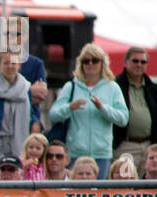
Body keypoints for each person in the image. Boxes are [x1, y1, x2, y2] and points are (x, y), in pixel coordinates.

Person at [47, 44, 127, 180]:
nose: (90, 64)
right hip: (75, 153)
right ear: (81, 64)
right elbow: (53, 114)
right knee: (74, 196)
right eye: (86, 61)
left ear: (103, 63)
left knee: (97, 196)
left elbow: (123, 119)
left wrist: (103, 108)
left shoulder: (112, 87)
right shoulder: (71, 86)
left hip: (101, 153)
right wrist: (70, 107)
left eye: (95, 60)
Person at [0, 51, 41, 160]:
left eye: (13, 63)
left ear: (19, 66)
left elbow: (31, 113)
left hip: (20, 143)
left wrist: (35, 123)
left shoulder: (26, 88)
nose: (10, 66)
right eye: (6, 63)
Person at [0, 22, 48, 125]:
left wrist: (4, 92)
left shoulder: (37, 63)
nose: (10, 37)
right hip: (0, 122)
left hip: (29, 122)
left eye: (15, 34)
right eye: (7, 33)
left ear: (25, 36)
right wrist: (28, 92)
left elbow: (42, 94)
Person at [113, 47, 157, 171]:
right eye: (135, 61)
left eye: (143, 62)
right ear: (126, 62)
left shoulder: (153, 89)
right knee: (124, 186)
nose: (139, 64)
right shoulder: (115, 86)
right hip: (124, 145)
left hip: (149, 146)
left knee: (148, 188)